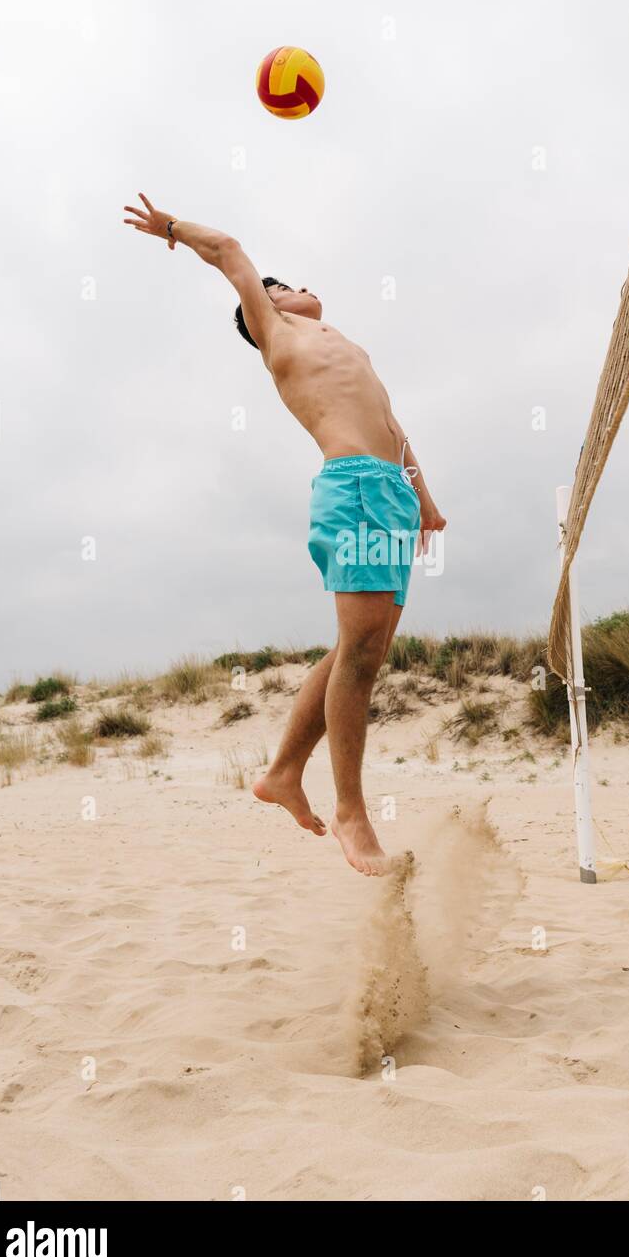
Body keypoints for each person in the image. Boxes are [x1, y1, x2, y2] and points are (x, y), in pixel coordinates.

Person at [123, 193, 447, 875]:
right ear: (263, 307)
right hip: (354, 487)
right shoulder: (276, 332)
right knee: (359, 650)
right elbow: (231, 252)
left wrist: (424, 500)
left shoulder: (346, 346)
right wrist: (173, 230)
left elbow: (394, 426)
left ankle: (282, 772)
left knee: (363, 647)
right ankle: (351, 816)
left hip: (387, 491)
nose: (305, 288)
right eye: (287, 285)